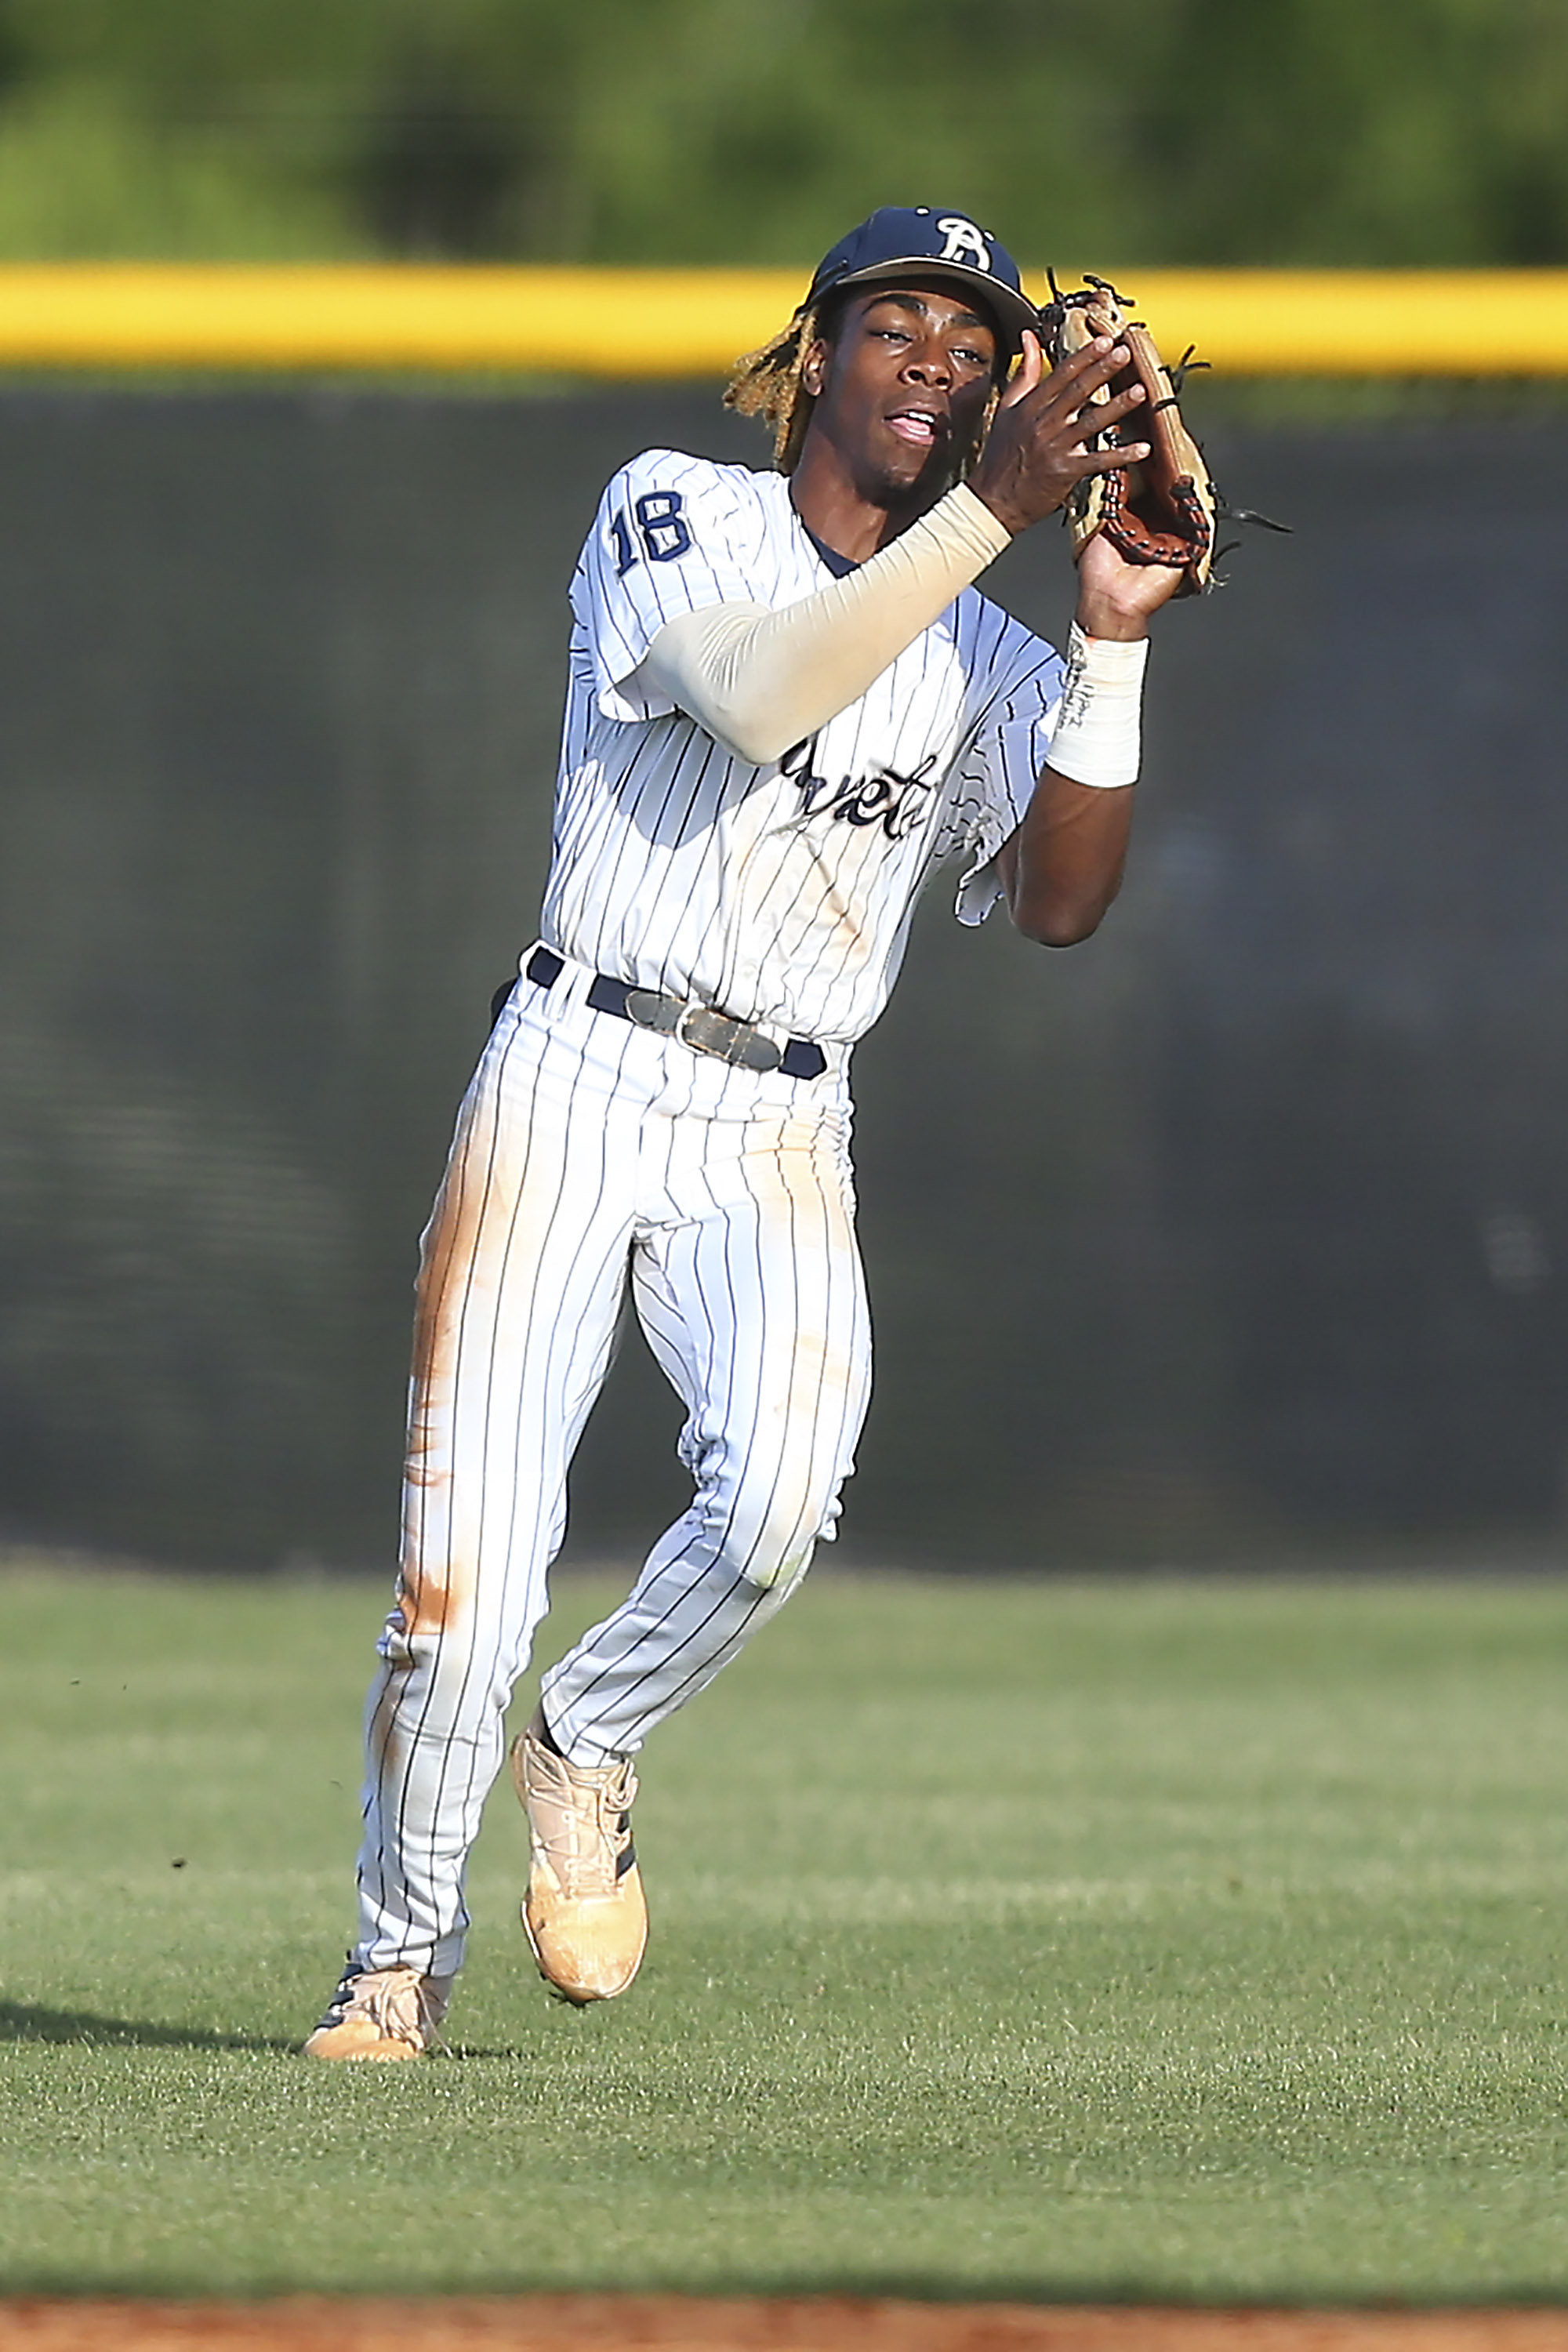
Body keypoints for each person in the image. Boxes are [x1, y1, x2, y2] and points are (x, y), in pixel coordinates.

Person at [305, 205, 1185, 2060]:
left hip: (781, 1117)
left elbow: (1057, 906)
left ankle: (590, 1741)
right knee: (460, 1598)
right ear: (814, 349)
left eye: (971, 335)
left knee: (780, 1508)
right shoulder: (671, 509)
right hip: (575, 1071)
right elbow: (760, 691)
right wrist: (1000, 515)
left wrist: (1105, 640)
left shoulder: (989, 658)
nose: (934, 356)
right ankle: (397, 1965)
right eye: (896, 322)